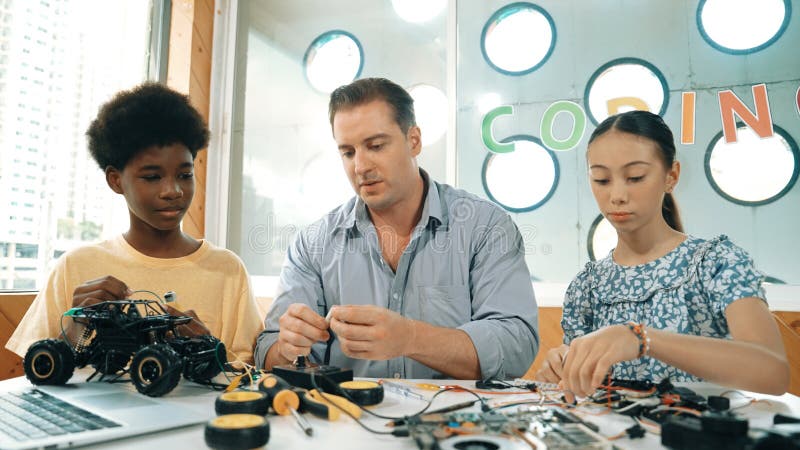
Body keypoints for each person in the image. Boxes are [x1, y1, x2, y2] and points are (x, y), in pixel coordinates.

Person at [255, 77, 538, 379]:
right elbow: (266, 350)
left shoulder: (486, 227)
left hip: (459, 410)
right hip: (345, 409)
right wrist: (287, 346)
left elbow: (516, 344)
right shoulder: (312, 244)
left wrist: (411, 338)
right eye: (348, 152)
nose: (360, 166)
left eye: (375, 146)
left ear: (414, 140)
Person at [535, 110, 789, 397]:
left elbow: (773, 372)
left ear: (671, 176)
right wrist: (561, 368)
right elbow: (579, 385)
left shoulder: (717, 263)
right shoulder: (587, 285)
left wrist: (642, 339)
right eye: (602, 180)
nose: (617, 195)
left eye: (635, 177)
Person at [7, 83, 263, 365]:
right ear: (116, 180)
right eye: (152, 177)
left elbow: (249, 375)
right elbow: (37, 372)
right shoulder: (75, 267)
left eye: (185, 175)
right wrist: (76, 327)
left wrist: (208, 350)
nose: (173, 191)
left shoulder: (228, 270)